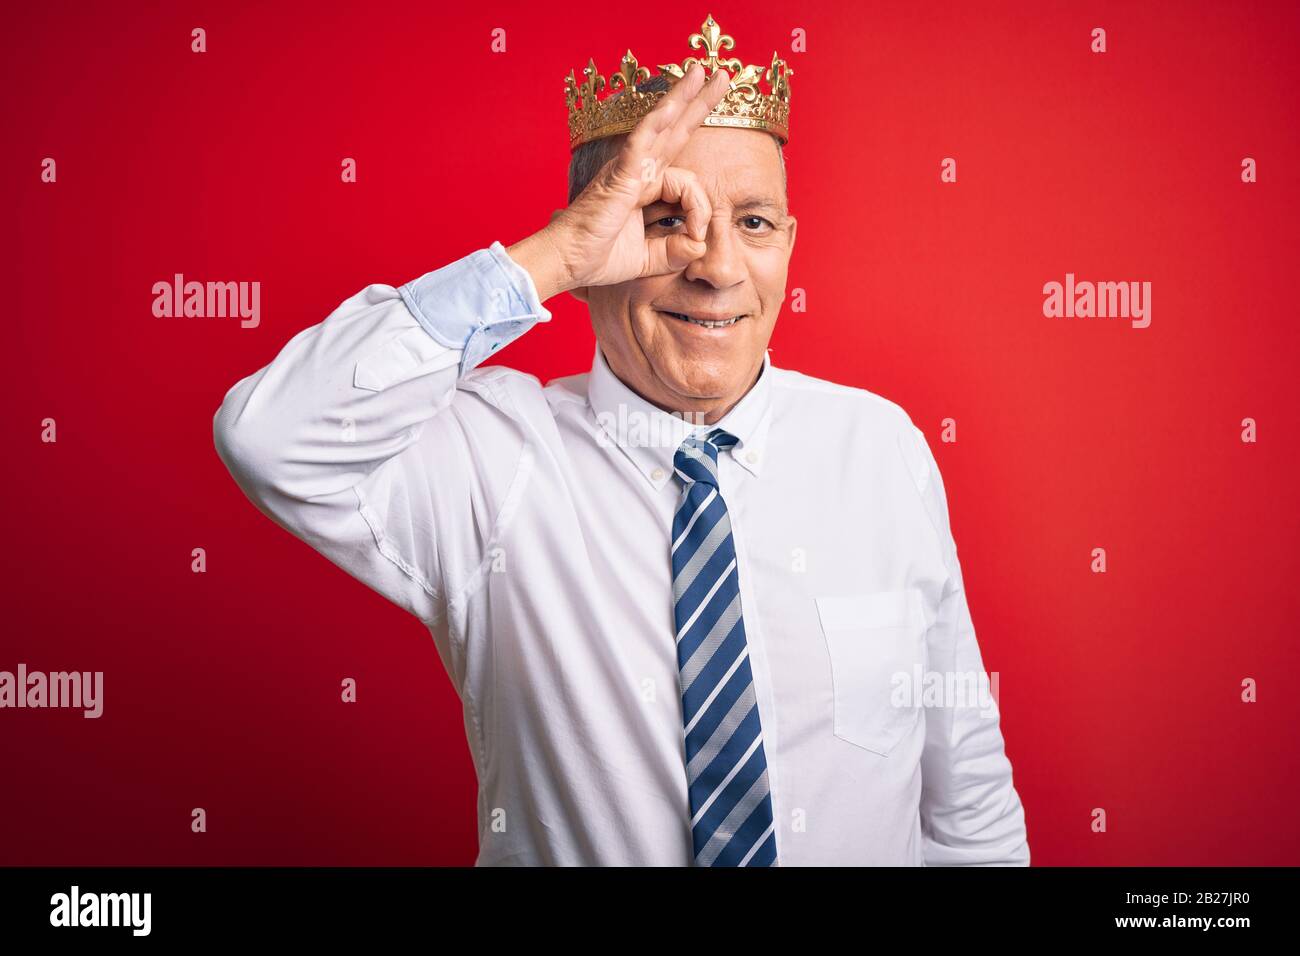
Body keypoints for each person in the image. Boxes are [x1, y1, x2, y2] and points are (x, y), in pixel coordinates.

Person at [213, 15, 1029, 867]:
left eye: (754, 223)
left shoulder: (881, 448)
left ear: (788, 244)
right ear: (600, 239)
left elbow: (966, 797)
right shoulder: (496, 460)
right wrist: (549, 257)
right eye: (668, 216)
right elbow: (269, 437)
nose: (716, 268)